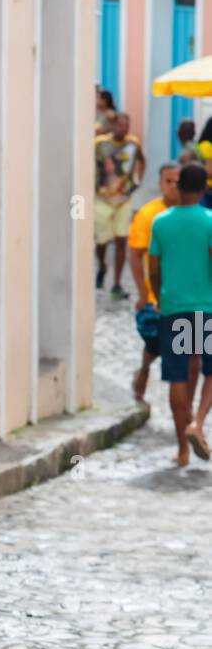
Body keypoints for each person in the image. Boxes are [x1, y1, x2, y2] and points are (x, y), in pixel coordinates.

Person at [148, 160, 212, 465]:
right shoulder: (210, 221)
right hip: (206, 308)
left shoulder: (161, 222)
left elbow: (153, 268)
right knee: (209, 370)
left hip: (173, 307)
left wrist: (160, 297)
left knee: (178, 375)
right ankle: (197, 423)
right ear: (203, 188)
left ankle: (183, 450)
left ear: (180, 187)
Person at [127, 161, 180, 401]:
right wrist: (141, 291)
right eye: (168, 181)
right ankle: (145, 369)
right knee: (155, 343)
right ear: (160, 184)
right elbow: (136, 255)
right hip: (154, 296)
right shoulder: (149, 215)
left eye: (177, 182)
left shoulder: (195, 214)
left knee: (185, 354)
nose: (173, 187)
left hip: (184, 298)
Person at [95, 112, 145, 296]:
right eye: (120, 125)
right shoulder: (100, 144)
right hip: (102, 197)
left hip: (124, 198)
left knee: (121, 240)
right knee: (101, 240)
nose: (123, 128)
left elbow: (141, 159)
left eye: (126, 125)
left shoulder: (133, 143)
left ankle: (117, 283)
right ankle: (102, 266)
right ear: (113, 125)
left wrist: (137, 180)